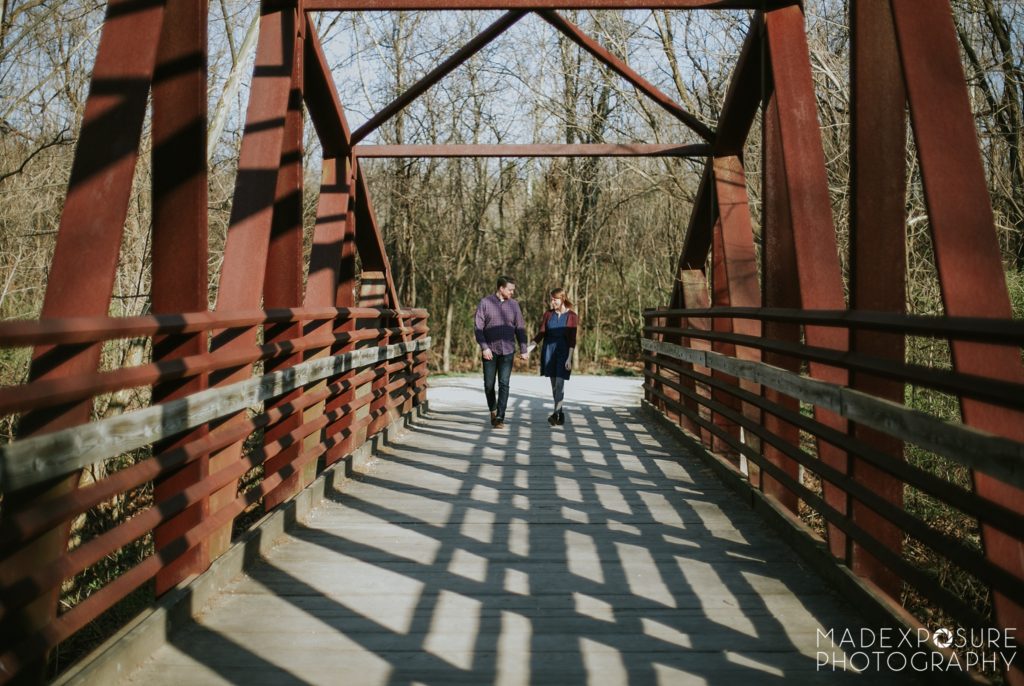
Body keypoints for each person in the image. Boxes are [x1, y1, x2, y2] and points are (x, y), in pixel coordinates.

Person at [474, 275, 529, 428]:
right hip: (489, 351)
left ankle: (500, 417)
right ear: (501, 288)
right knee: (489, 385)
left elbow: (520, 328)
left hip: (508, 351)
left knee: (504, 383)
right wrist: (484, 347)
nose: (512, 292)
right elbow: (478, 328)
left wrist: (523, 349)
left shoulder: (514, 305)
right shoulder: (485, 303)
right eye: (510, 290)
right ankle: (493, 409)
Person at [527, 288, 578, 426]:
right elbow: (541, 334)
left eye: (555, 299)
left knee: (560, 384)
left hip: (563, 352)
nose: (552, 302)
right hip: (549, 351)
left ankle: (555, 414)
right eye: (551, 299)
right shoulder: (548, 315)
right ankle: (560, 414)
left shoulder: (572, 316)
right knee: (554, 386)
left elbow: (572, 340)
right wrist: (528, 349)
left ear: (562, 299)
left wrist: (569, 358)